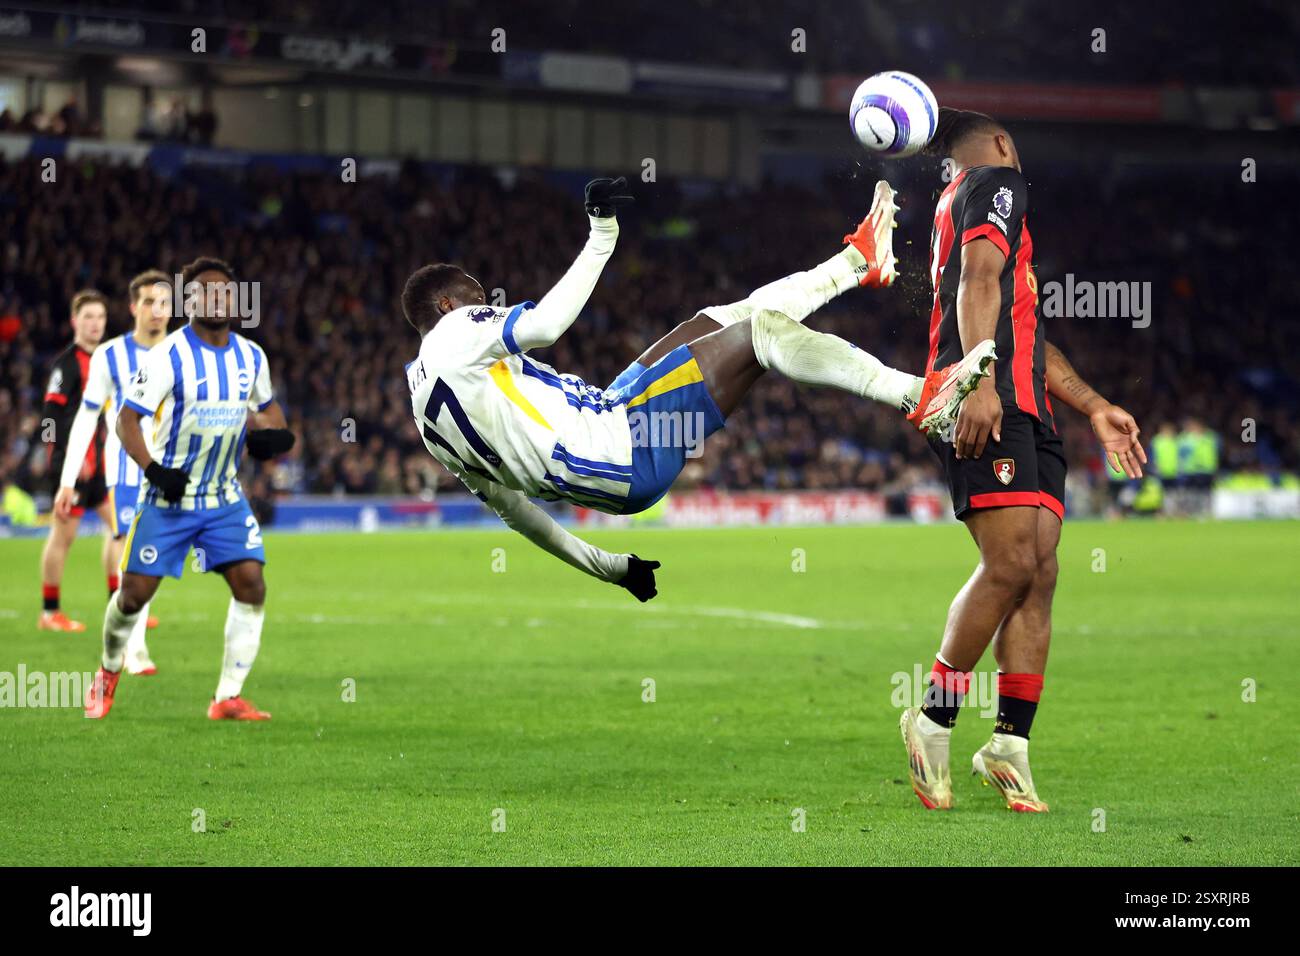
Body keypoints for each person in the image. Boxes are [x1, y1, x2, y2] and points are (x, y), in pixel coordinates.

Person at [402, 177, 995, 601]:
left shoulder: (429, 421)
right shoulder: (460, 329)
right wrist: (602, 233)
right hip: (623, 444)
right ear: (451, 304)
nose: (489, 306)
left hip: (614, 429)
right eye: (481, 298)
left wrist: (613, 568)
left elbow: (518, 515)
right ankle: (923, 398)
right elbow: (547, 326)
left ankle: (855, 262)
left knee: (718, 318)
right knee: (760, 333)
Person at [899, 109, 1147, 813]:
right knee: (1009, 564)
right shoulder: (996, 182)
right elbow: (979, 280)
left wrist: (1094, 404)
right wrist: (977, 379)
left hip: (1025, 404)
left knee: (1038, 570)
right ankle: (932, 719)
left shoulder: (971, 201)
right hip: (989, 400)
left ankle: (1008, 744)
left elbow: (1024, 328)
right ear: (1003, 145)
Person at [84, 258, 295, 721]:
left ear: (236, 301)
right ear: (191, 302)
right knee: (133, 595)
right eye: (205, 293)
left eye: (225, 292)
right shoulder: (168, 355)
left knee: (251, 584)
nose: (216, 299)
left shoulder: (251, 356)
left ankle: (227, 698)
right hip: (168, 499)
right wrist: (153, 469)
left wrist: (276, 436)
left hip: (223, 497)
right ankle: (108, 668)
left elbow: (269, 410)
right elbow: (125, 419)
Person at [55, 270, 172, 673]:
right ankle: (133, 649)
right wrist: (68, 480)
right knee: (131, 551)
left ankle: (125, 641)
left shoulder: (185, 352)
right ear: (132, 307)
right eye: (148, 303)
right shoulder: (110, 355)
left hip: (169, 470)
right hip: (123, 470)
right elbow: (86, 419)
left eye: (164, 303)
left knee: (151, 556)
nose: (157, 312)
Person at [37, 290, 111, 632]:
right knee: (62, 537)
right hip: (74, 470)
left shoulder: (106, 362)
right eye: (88, 317)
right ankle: (50, 612)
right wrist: (61, 460)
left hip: (101, 468)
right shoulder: (67, 365)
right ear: (74, 322)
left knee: (120, 530)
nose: (95, 324)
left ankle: (119, 609)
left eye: (100, 317)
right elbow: (49, 419)